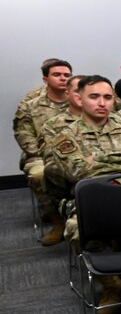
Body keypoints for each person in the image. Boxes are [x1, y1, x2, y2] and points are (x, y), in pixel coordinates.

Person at [42, 75, 121, 313]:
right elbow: (77, 171)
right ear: (79, 99)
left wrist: (96, 161)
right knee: (76, 230)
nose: (102, 102)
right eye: (94, 97)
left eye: (107, 97)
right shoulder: (65, 137)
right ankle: (111, 286)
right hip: (92, 202)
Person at [14, 58, 72, 245]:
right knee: (40, 174)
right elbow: (23, 134)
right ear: (45, 79)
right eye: (57, 75)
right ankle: (58, 224)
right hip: (40, 155)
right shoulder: (30, 106)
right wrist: (46, 156)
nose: (62, 78)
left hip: (76, 153)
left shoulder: (78, 102)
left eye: (66, 75)